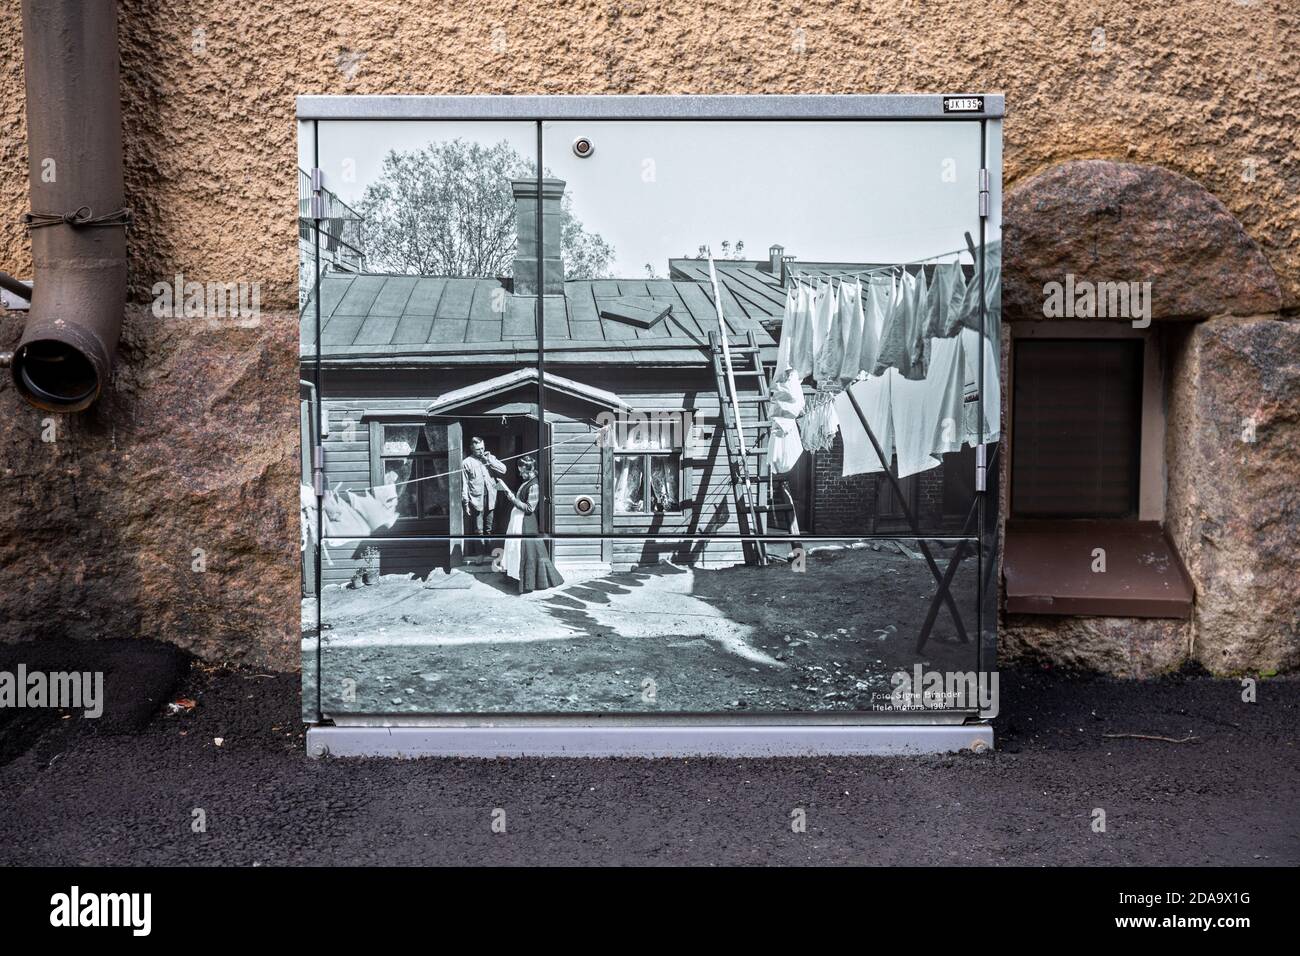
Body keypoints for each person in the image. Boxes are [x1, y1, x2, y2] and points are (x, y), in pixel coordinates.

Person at [497, 456, 564, 594]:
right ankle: (513, 577)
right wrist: (511, 494)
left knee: (525, 551)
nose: (521, 474)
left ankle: (528, 583)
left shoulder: (534, 485)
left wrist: (513, 499)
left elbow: (529, 508)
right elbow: (522, 499)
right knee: (514, 549)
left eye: (522, 472)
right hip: (517, 521)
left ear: (529, 471)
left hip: (525, 522)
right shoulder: (527, 482)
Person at [462, 436, 505, 559]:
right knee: (478, 529)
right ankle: (480, 554)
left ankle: (490, 552)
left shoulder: (490, 458)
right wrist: (466, 503)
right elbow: (464, 484)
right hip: (476, 500)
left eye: (482, 448)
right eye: (477, 449)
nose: (481, 451)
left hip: (491, 498)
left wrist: (489, 460)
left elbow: (504, 470)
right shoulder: (466, 463)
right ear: (472, 448)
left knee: (489, 527)